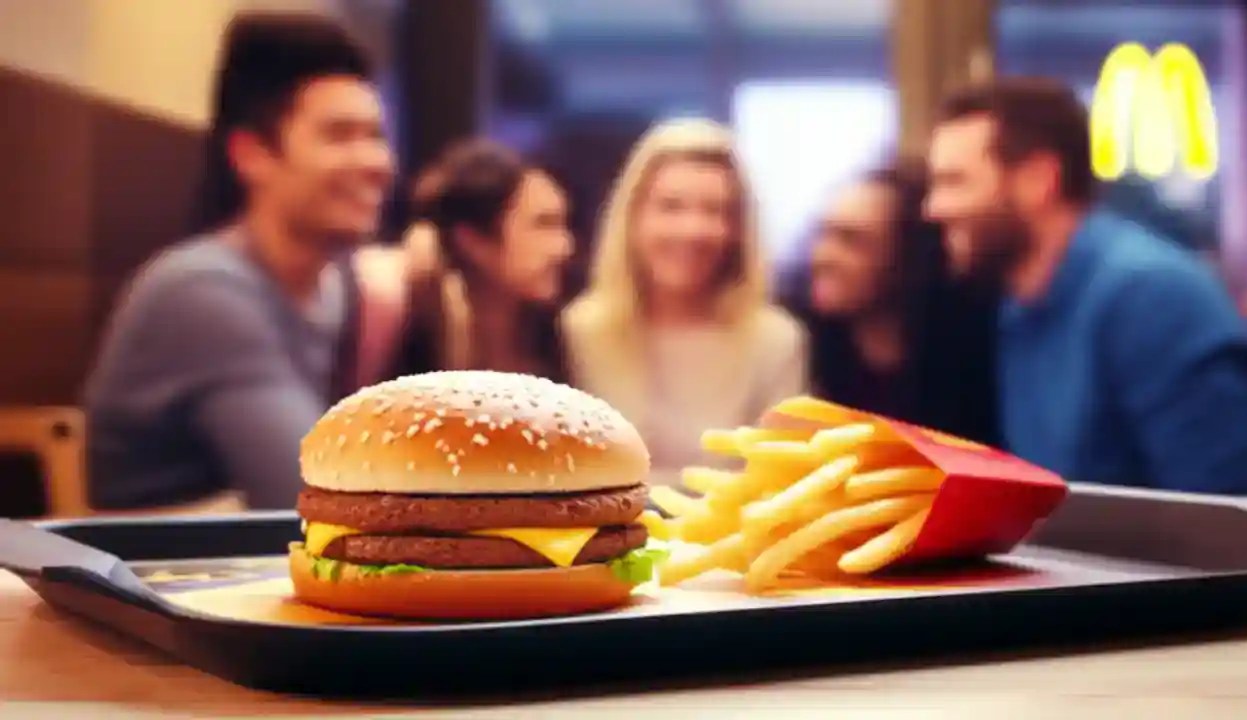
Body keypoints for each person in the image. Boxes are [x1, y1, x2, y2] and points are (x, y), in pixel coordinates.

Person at [84, 12, 394, 510]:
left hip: (257, 572)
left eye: (376, 136)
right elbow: (314, 498)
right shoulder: (201, 291)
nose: (375, 162)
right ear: (252, 154)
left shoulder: (339, 290)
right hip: (159, 577)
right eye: (340, 135)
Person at [925, 78, 1247, 494]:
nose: (933, 208)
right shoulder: (1021, 304)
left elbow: (1235, 523)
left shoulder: (1149, 296)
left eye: (954, 182)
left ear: (1039, 180)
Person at [562, 118, 807, 485]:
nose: (693, 230)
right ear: (633, 218)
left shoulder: (776, 340)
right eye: (671, 207)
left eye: (715, 210)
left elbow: (781, 483)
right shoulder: (580, 331)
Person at [793, 159, 999, 445]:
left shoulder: (970, 355)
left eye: (851, 241)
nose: (823, 256)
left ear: (906, 257)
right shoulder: (803, 347)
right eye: (823, 234)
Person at [353, 139, 574, 384]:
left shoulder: (563, 342)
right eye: (543, 225)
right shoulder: (401, 327)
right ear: (473, 240)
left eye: (562, 225)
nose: (565, 247)